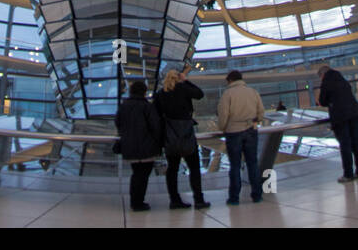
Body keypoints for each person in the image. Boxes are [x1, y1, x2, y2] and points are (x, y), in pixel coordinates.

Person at [153, 69, 210, 209]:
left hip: (170, 136)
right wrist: (186, 80)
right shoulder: (183, 89)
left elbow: (156, 115)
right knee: (194, 168)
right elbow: (199, 94)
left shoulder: (160, 94)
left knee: (172, 169)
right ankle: (199, 199)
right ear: (179, 78)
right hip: (186, 134)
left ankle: (175, 200)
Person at [217, 70, 265, 204]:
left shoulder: (227, 94)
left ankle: (234, 198)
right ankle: (257, 195)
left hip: (233, 132)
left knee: (235, 165)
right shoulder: (252, 92)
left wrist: (222, 128)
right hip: (251, 130)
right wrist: (256, 121)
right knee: (252, 164)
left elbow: (223, 115)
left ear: (230, 80)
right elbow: (261, 112)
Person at [114, 79, 163, 211]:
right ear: (144, 92)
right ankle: (138, 202)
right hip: (147, 147)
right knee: (143, 175)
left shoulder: (124, 105)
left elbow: (118, 122)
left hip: (129, 146)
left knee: (136, 174)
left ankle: (135, 201)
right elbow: (155, 126)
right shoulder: (147, 106)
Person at [317, 64, 358, 183]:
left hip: (341, 116)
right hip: (354, 112)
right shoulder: (341, 78)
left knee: (345, 144)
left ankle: (348, 174)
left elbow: (323, 101)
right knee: (356, 142)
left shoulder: (326, 81)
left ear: (322, 75)